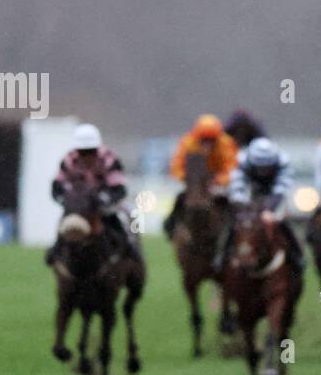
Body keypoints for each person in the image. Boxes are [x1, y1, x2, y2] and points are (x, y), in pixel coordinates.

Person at [46, 123, 142, 267]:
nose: (87, 156)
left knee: (127, 218)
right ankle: (56, 250)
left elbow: (119, 187)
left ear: (97, 148)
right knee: (64, 223)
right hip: (79, 207)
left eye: (90, 151)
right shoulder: (69, 160)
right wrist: (63, 199)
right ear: (77, 150)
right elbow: (57, 185)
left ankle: (131, 249)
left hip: (104, 205)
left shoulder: (109, 159)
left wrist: (106, 198)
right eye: (83, 152)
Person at [220, 136, 303, 274]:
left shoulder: (283, 162)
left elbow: (281, 190)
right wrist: (246, 210)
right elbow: (237, 188)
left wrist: (270, 211)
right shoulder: (241, 161)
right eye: (259, 167)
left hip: (273, 195)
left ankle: (297, 258)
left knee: (283, 224)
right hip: (251, 195)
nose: (263, 170)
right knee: (235, 225)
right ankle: (222, 259)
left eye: (266, 167)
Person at [163, 114, 238, 238]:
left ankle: (232, 232)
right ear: (198, 136)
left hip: (216, 183)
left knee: (228, 203)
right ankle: (171, 227)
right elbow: (176, 166)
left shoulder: (226, 144)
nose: (207, 144)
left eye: (211, 140)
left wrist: (219, 180)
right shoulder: (187, 143)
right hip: (195, 183)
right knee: (180, 199)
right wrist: (188, 179)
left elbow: (232, 168)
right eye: (204, 140)